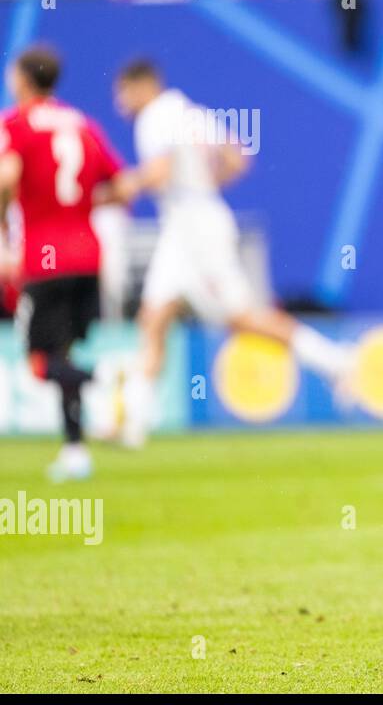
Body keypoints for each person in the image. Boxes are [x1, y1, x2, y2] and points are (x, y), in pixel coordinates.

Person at [111, 59, 354, 447]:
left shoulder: (155, 117)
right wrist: (205, 185)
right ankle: (134, 424)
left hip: (196, 229)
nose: (119, 102)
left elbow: (158, 172)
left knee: (243, 319)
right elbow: (238, 158)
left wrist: (123, 186)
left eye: (122, 92)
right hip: (187, 222)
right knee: (152, 318)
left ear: (142, 85)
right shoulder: (190, 111)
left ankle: (337, 361)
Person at [0, 45, 135, 480]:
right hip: (88, 253)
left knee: (42, 363)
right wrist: (78, 206)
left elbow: (6, 179)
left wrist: (5, 231)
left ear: (21, 79)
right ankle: (76, 451)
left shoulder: (17, 125)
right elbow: (122, 187)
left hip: (44, 257)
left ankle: (105, 375)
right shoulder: (82, 123)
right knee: (62, 355)